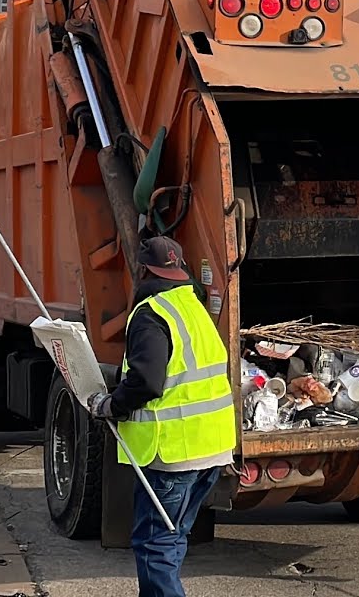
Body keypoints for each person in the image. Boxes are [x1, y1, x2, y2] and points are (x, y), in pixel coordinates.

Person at [86, 236, 237, 597]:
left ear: (142, 271)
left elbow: (146, 382)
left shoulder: (150, 314)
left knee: (156, 546)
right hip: (211, 448)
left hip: (174, 454)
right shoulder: (192, 305)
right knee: (170, 540)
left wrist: (110, 406)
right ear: (179, 268)